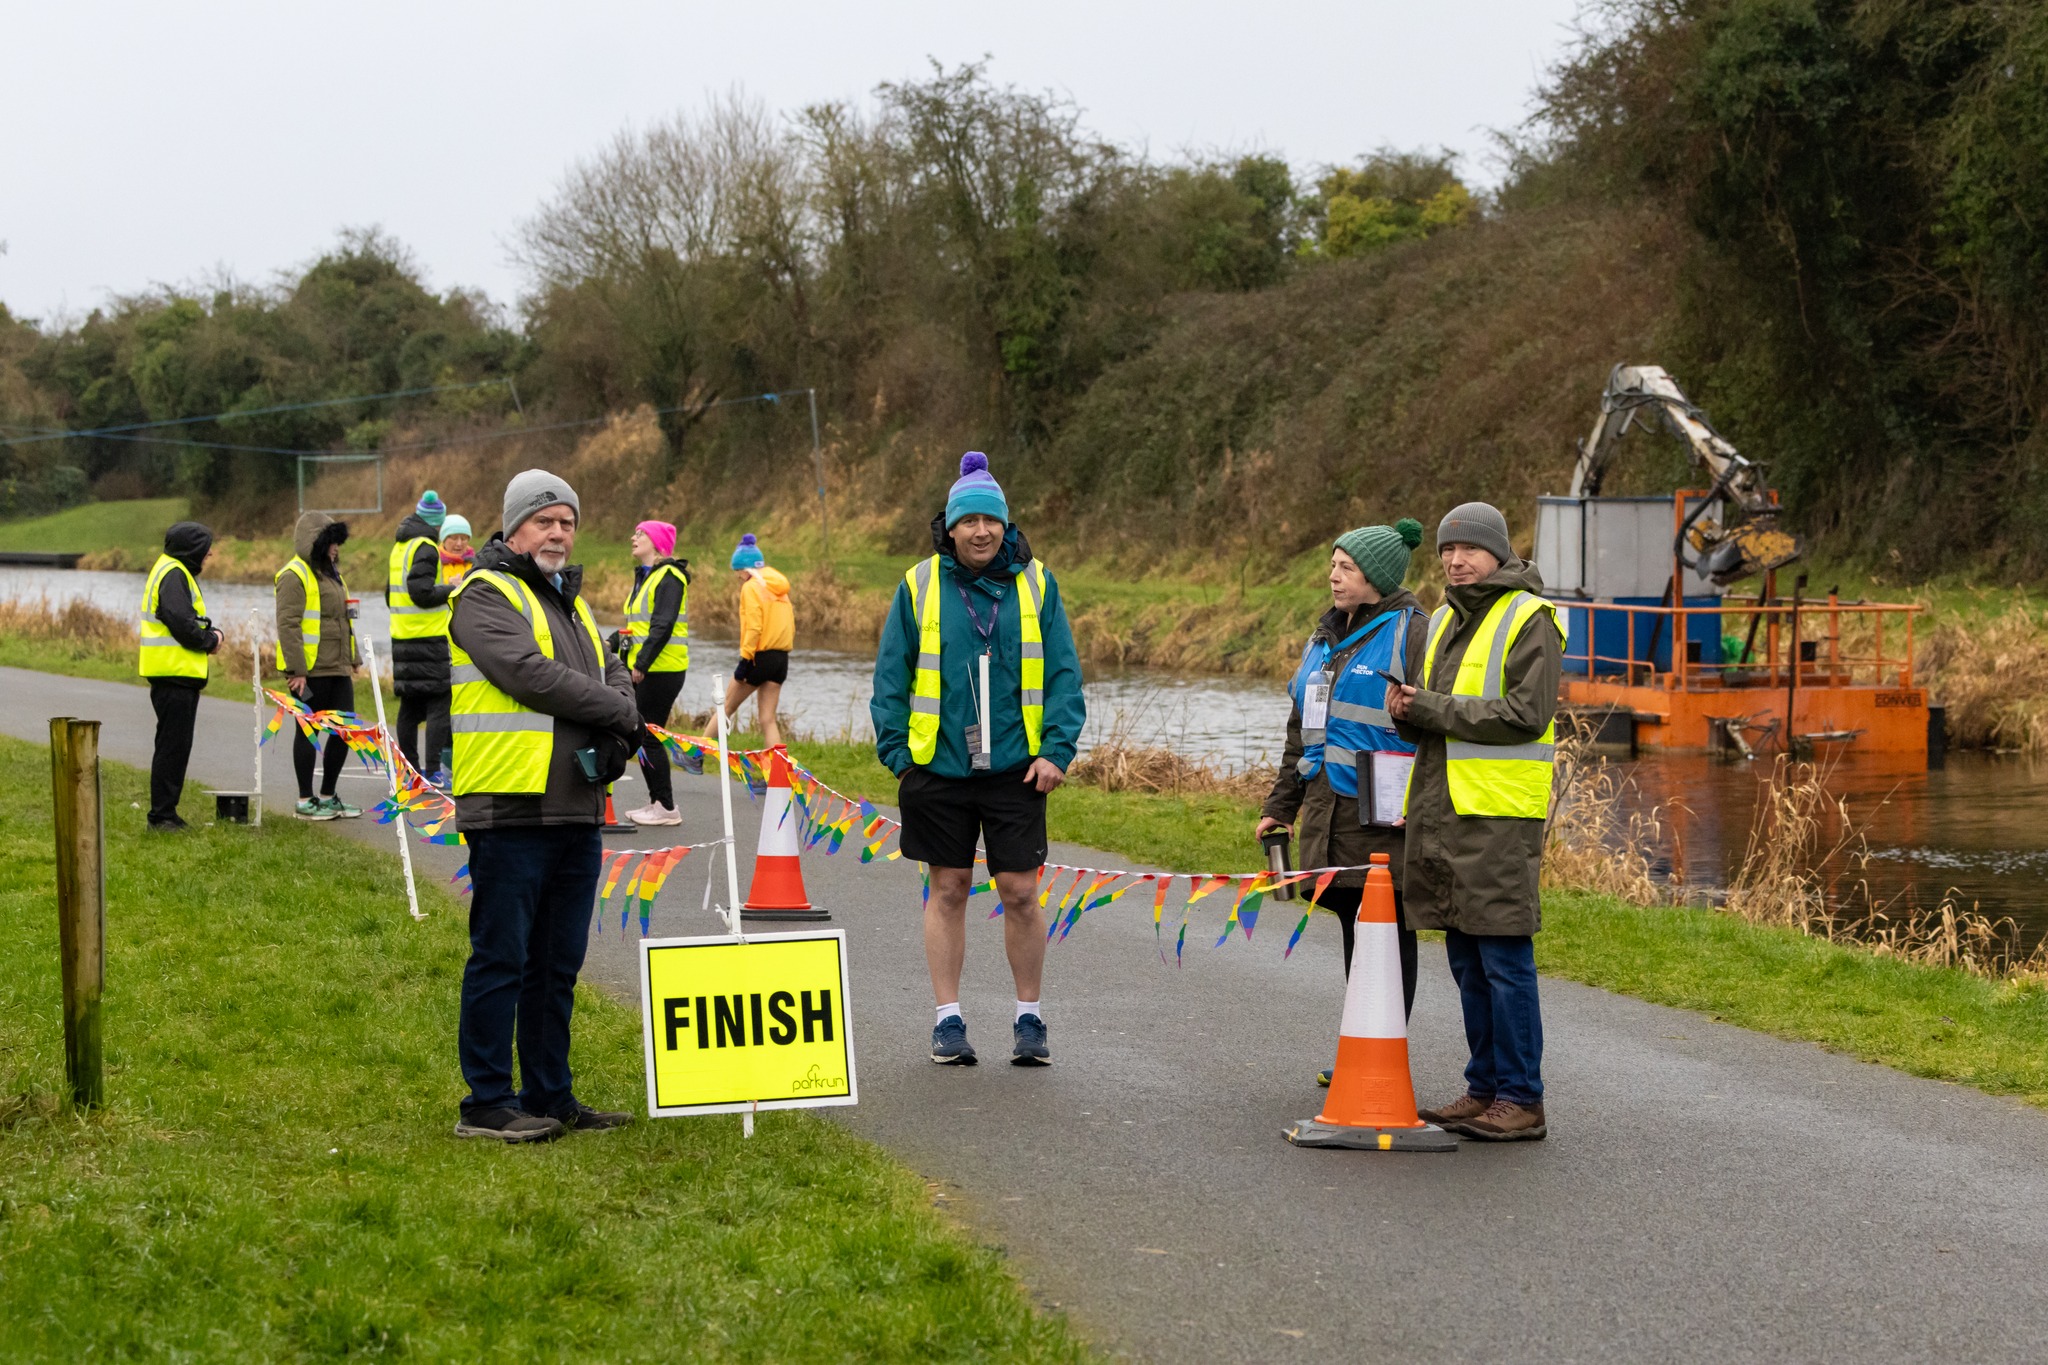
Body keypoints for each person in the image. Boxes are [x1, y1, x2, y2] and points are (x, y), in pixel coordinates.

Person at [870, 452, 1085, 1067]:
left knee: (1019, 891)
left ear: (1006, 526)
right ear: (951, 527)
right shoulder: (917, 585)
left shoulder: (1038, 583)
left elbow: (1066, 674)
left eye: (992, 520)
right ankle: (948, 1021)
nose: (982, 532)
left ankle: (1029, 1019)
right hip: (938, 769)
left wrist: (1057, 751)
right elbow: (891, 676)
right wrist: (899, 757)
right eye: (970, 522)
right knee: (950, 886)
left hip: (1020, 769)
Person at [447, 468, 641, 1142]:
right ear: (513, 525)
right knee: (502, 956)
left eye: (567, 521)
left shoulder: (572, 601)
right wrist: (621, 710)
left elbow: (608, 664)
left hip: (575, 807)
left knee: (558, 964)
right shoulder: (483, 592)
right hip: (510, 806)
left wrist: (620, 702)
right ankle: (486, 1103)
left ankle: (550, 1095)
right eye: (544, 520)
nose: (558, 532)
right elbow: (529, 675)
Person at [1387, 501, 1564, 1142]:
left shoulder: (1529, 617)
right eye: (1445, 552)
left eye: (1468, 549)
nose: (1455, 561)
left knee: (1503, 958)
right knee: (1465, 956)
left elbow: (1526, 712)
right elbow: (1443, 716)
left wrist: (1429, 706)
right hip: (1445, 810)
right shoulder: (1440, 620)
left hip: (1498, 816)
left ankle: (1522, 1098)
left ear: (1498, 553)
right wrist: (1406, 708)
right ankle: (1484, 1087)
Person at [1256, 520, 1429, 1085]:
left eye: (1346, 567)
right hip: (1327, 812)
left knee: (1387, 929)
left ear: (1376, 578)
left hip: (1384, 814)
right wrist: (1281, 805)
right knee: (1357, 928)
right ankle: (1365, 1045)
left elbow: (1436, 721)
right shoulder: (1324, 637)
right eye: (1332, 564)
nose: (1333, 575)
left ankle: (1382, 1052)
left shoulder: (1414, 633)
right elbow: (1299, 729)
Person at [274, 511, 362, 821]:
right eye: (332, 543)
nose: (337, 549)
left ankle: (328, 796)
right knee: (308, 731)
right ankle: (304, 799)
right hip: (309, 672)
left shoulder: (333, 574)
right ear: (317, 542)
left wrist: (355, 658)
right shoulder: (293, 575)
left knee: (344, 730)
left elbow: (345, 619)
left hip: (337, 668)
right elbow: (288, 625)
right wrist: (296, 670)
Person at [137, 521, 223, 831]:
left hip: (173, 674)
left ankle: (166, 813)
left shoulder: (169, 569)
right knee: (173, 747)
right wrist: (210, 640)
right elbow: (182, 622)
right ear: (191, 550)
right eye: (204, 548)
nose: (209, 554)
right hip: (174, 673)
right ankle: (161, 816)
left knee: (173, 745)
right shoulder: (174, 574)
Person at [619, 519, 690, 827]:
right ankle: (658, 803)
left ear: (657, 543)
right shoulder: (646, 578)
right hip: (647, 669)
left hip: (661, 670)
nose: (633, 538)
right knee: (645, 734)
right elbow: (636, 628)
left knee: (649, 736)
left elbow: (662, 626)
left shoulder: (670, 577)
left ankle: (665, 807)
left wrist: (641, 664)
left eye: (641, 534)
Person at [387, 490, 455, 784]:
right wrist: (452, 587)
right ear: (437, 522)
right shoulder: (427, 547)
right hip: (429, 639)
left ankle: (409, 771)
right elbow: (421, 593)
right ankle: (431, 771)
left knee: (410, 707)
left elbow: (391, 593)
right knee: (440, 701)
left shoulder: (400, 546)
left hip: (402, 636)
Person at [722, 533, 793, 748]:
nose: (738, 577)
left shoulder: (751, 588)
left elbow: (754, 627)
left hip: (757, 657)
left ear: (746, 570)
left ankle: (695, 754)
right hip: (781, 658)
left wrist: (745, 661)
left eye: (738, 571)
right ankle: (776, 772)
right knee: (767, 719)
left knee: (724, 707)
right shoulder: (779, 589)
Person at [438, 515, 475, 585]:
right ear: (444, 540)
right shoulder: (434, 560)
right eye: (454, 538)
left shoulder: (476, 564)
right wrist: (447, 584)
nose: (459, 543)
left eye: (463, 539)